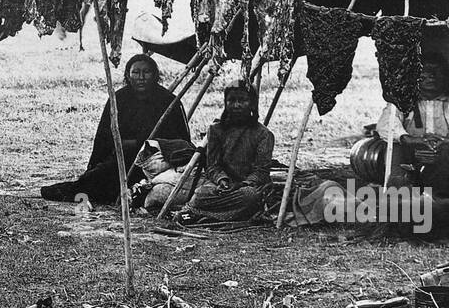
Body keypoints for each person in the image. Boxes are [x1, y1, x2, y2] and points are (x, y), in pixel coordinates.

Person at [41, 54, 191, 204]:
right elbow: (103, 136)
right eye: (135, 72)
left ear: (155, 75)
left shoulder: (168, 101)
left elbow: (180, 141)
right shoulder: (119, 98)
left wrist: (138, 144)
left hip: (155, 162)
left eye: (146, 72)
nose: (141, 77)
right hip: (121, 159)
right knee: (99, 178)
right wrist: (95, 165)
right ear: (128, 75)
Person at [350, 52, 449, 202]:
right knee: (395, 143)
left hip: (441, 165)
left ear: (445, 77)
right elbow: (386, 123)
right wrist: (409, 140)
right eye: (425, 72)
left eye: (436, 73)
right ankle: (397, 190)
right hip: (410, 163)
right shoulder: (403, 104)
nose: (431, 77)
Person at [182, 82, 275, 223]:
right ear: (225, 103)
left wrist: (243, 184)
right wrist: (222, 180)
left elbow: (261, 171)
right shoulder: (216, 130)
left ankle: (205, 215)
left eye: (242, 100)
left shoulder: (263, 134)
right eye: (231, 100)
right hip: (223, 187)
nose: (236, 105)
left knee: (250, 197)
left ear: (252, 104)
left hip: (248, 187)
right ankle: (229, 215)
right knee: (200, 194)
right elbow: (212, 166)